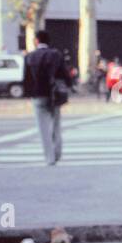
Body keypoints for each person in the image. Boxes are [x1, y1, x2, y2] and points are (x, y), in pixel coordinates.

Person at [23, 30, 74, 165]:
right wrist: (69, 85)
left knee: (43, 128)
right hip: (54, 94)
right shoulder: (56, 54)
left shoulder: (30, 56)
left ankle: (49, 158)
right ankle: (57, 152)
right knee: (56, 124)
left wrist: (28, 94)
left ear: (37, 41)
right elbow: (65, 74)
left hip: (38, 95)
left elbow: (26, 80)